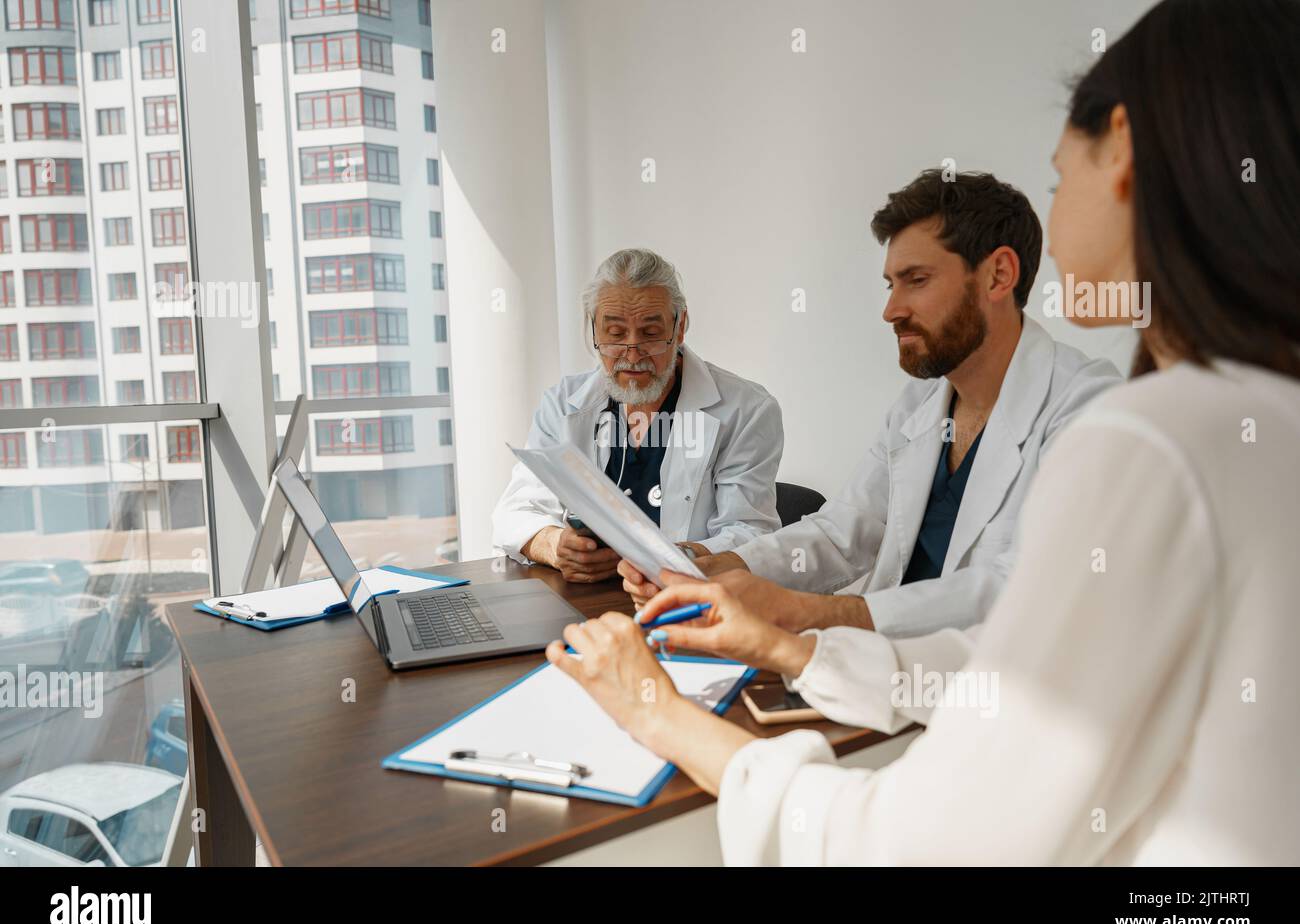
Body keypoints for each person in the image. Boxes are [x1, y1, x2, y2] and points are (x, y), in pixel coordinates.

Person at [550, 0, 1300, 864]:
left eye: (1062, 177)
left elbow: (924, 841)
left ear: (1122, 147)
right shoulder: (1257, 415)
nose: (888, 307)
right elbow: (959, 625)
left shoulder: (1148, 435)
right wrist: (775, 621)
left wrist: (656, 711)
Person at [621, 170, 1120, 644]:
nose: (891, 310)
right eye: (890, 284)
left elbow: (1020, 591)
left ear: (998, 276)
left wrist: (813, 613)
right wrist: (719, 567)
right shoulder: (921, 403)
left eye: (917, 280)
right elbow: (843, 532)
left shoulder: (1087, 408)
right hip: (885, 670)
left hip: (992, 691)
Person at [492, 248, 783, 582]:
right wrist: (554, 545)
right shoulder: (563, 404)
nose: (632, 354)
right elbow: (514, 510)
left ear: (681, 326)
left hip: (686, 601)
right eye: (615, 335)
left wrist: (668, 560)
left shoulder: (746, 410)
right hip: (586, 600)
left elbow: (751, 534)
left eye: (650, 334)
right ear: (594, 331)